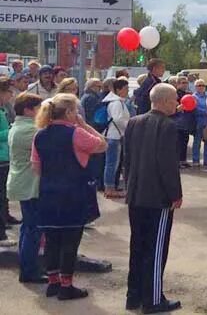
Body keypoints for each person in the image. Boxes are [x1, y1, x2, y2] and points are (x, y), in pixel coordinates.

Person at [32, 93, 108, 300]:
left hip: (48, 191)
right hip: (74, 192)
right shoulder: (75, 133)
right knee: (70, 240)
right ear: (68, 112)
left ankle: (53, 282)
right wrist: (84, 125)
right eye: (75, 110)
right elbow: (102, 144)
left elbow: (36, 167)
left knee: (51, 239)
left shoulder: (40, 135)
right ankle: (66, 286)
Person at [123, 83, 183, 313]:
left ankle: (134, 294)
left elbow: (127, 160)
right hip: (157, 197)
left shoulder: (134, 122)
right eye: (175, 99)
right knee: (156, 250)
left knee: (138, 245)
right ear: (165, 101)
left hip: (136, 194)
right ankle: (153, 299)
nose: (177, 103)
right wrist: (175, 194)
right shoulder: (167, 126)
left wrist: (130, 186)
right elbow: (168, 164)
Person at [6, 93, 44, 283]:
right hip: (29, 184)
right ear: (28, 110)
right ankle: (29, 271)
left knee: (28, 228)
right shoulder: (29, 130)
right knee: (33, 230)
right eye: (39, 108)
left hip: (24, 182)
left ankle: (28, 268)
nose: (42, 112)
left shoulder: (21, 126)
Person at [101, 79, 131, 198]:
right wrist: (128, 127)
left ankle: (110, 186)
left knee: (113, 163)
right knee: (112, 163)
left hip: (115, 135)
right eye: (126, 89)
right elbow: (118, 119)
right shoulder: (116, 103)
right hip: (114, 136)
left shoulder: (116, 101)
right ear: (118, 90)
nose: (127, 91)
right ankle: (109, 188)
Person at [192, 79, 207, 167]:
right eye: (199, 85)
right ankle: (195, 160)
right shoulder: (194, 97)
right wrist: (206, 112)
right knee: (197, 142)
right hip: (199, 122)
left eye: (203, 85)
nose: (201, 87)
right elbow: (195, 108)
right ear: (195, 87)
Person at [0, 78, 12, 237]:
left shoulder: (4, 110)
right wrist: (11, 131)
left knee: (4, 195)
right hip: (1, 158)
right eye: (9, 91)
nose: (11, 95)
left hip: (5, 156)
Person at [174, 77, 194, 168]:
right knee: (178, 142)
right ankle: (177, 161)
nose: (185, 84)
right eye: (183, 82)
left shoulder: (188, 94)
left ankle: (183, 160)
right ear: (178, 84)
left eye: (186, 83)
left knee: (185, 140)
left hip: (186, 120)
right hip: (177, 121)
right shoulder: (175, 94)